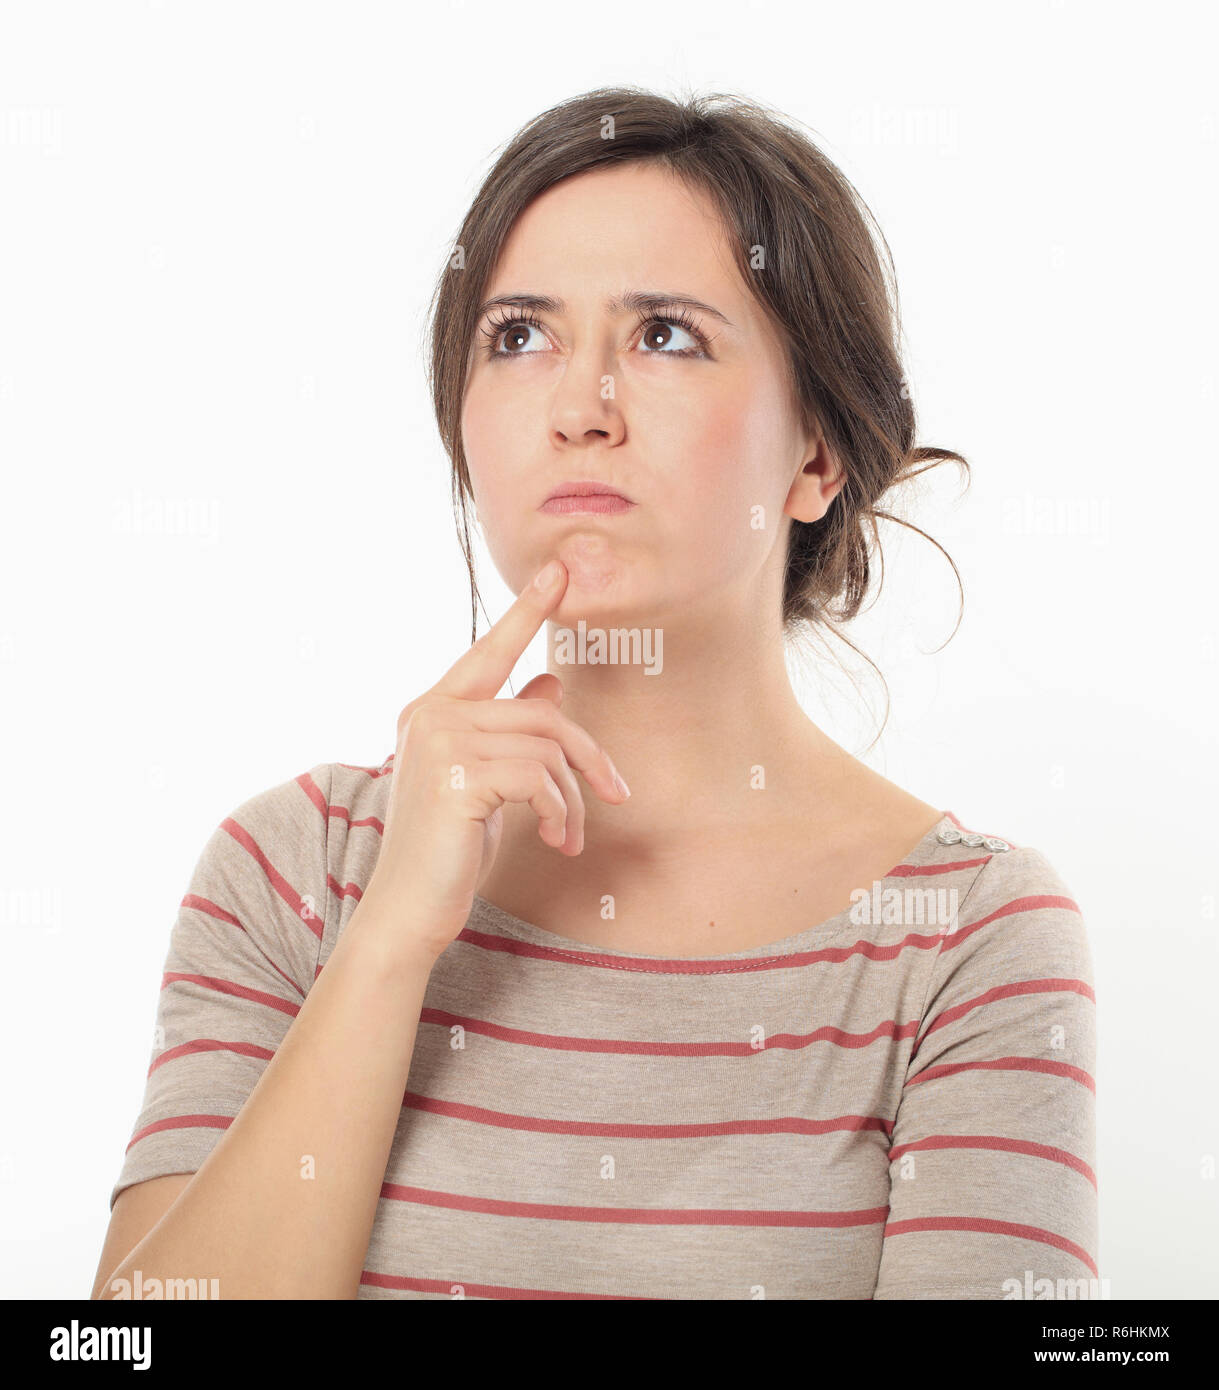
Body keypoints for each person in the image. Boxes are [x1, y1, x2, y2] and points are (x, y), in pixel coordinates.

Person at [93, 87, 1097, 1300]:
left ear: (817, 454)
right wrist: (387, 946)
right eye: (518, 337)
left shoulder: (966, 938)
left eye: (663, 335)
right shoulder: (288, 871)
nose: (579, 408)